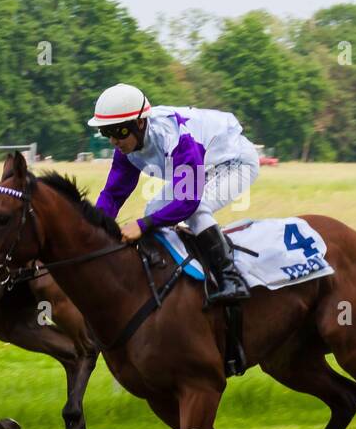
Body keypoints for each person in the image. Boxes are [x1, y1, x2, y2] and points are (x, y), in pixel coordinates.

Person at [89, 83, 259, 304]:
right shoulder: (126, 147)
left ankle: (231, 278)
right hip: (203, 164)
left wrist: (141, 225)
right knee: (154, 210)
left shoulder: (177, 139)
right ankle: (168, 271)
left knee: (195, 209)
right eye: (106, 133)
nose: (113, 141)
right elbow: (113, 195)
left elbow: (187, 201)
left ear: (140, 123)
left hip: (234, 162)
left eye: (118, 131)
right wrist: (92, 230)